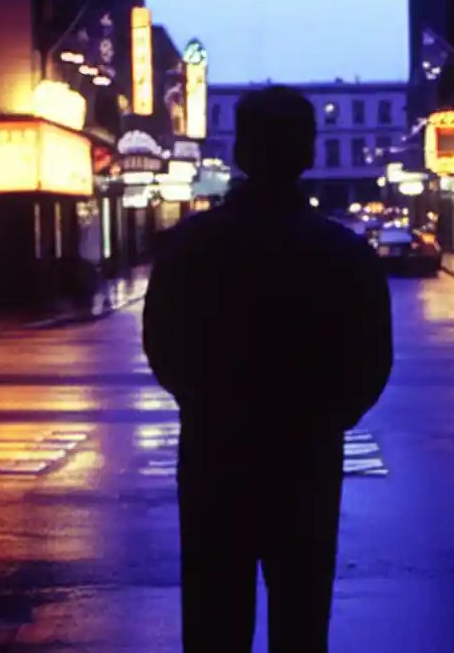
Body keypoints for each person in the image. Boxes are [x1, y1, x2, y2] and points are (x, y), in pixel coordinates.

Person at [143, 85, 394, 653]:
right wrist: (326, 418)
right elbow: (372, 359)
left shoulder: (189, 247)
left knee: (213, 614)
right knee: (303, 616)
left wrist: (206, 404)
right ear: (307, 153)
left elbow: (161, 344)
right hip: (306, 458)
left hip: (214, 453)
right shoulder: (344, 254)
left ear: (240, 151)